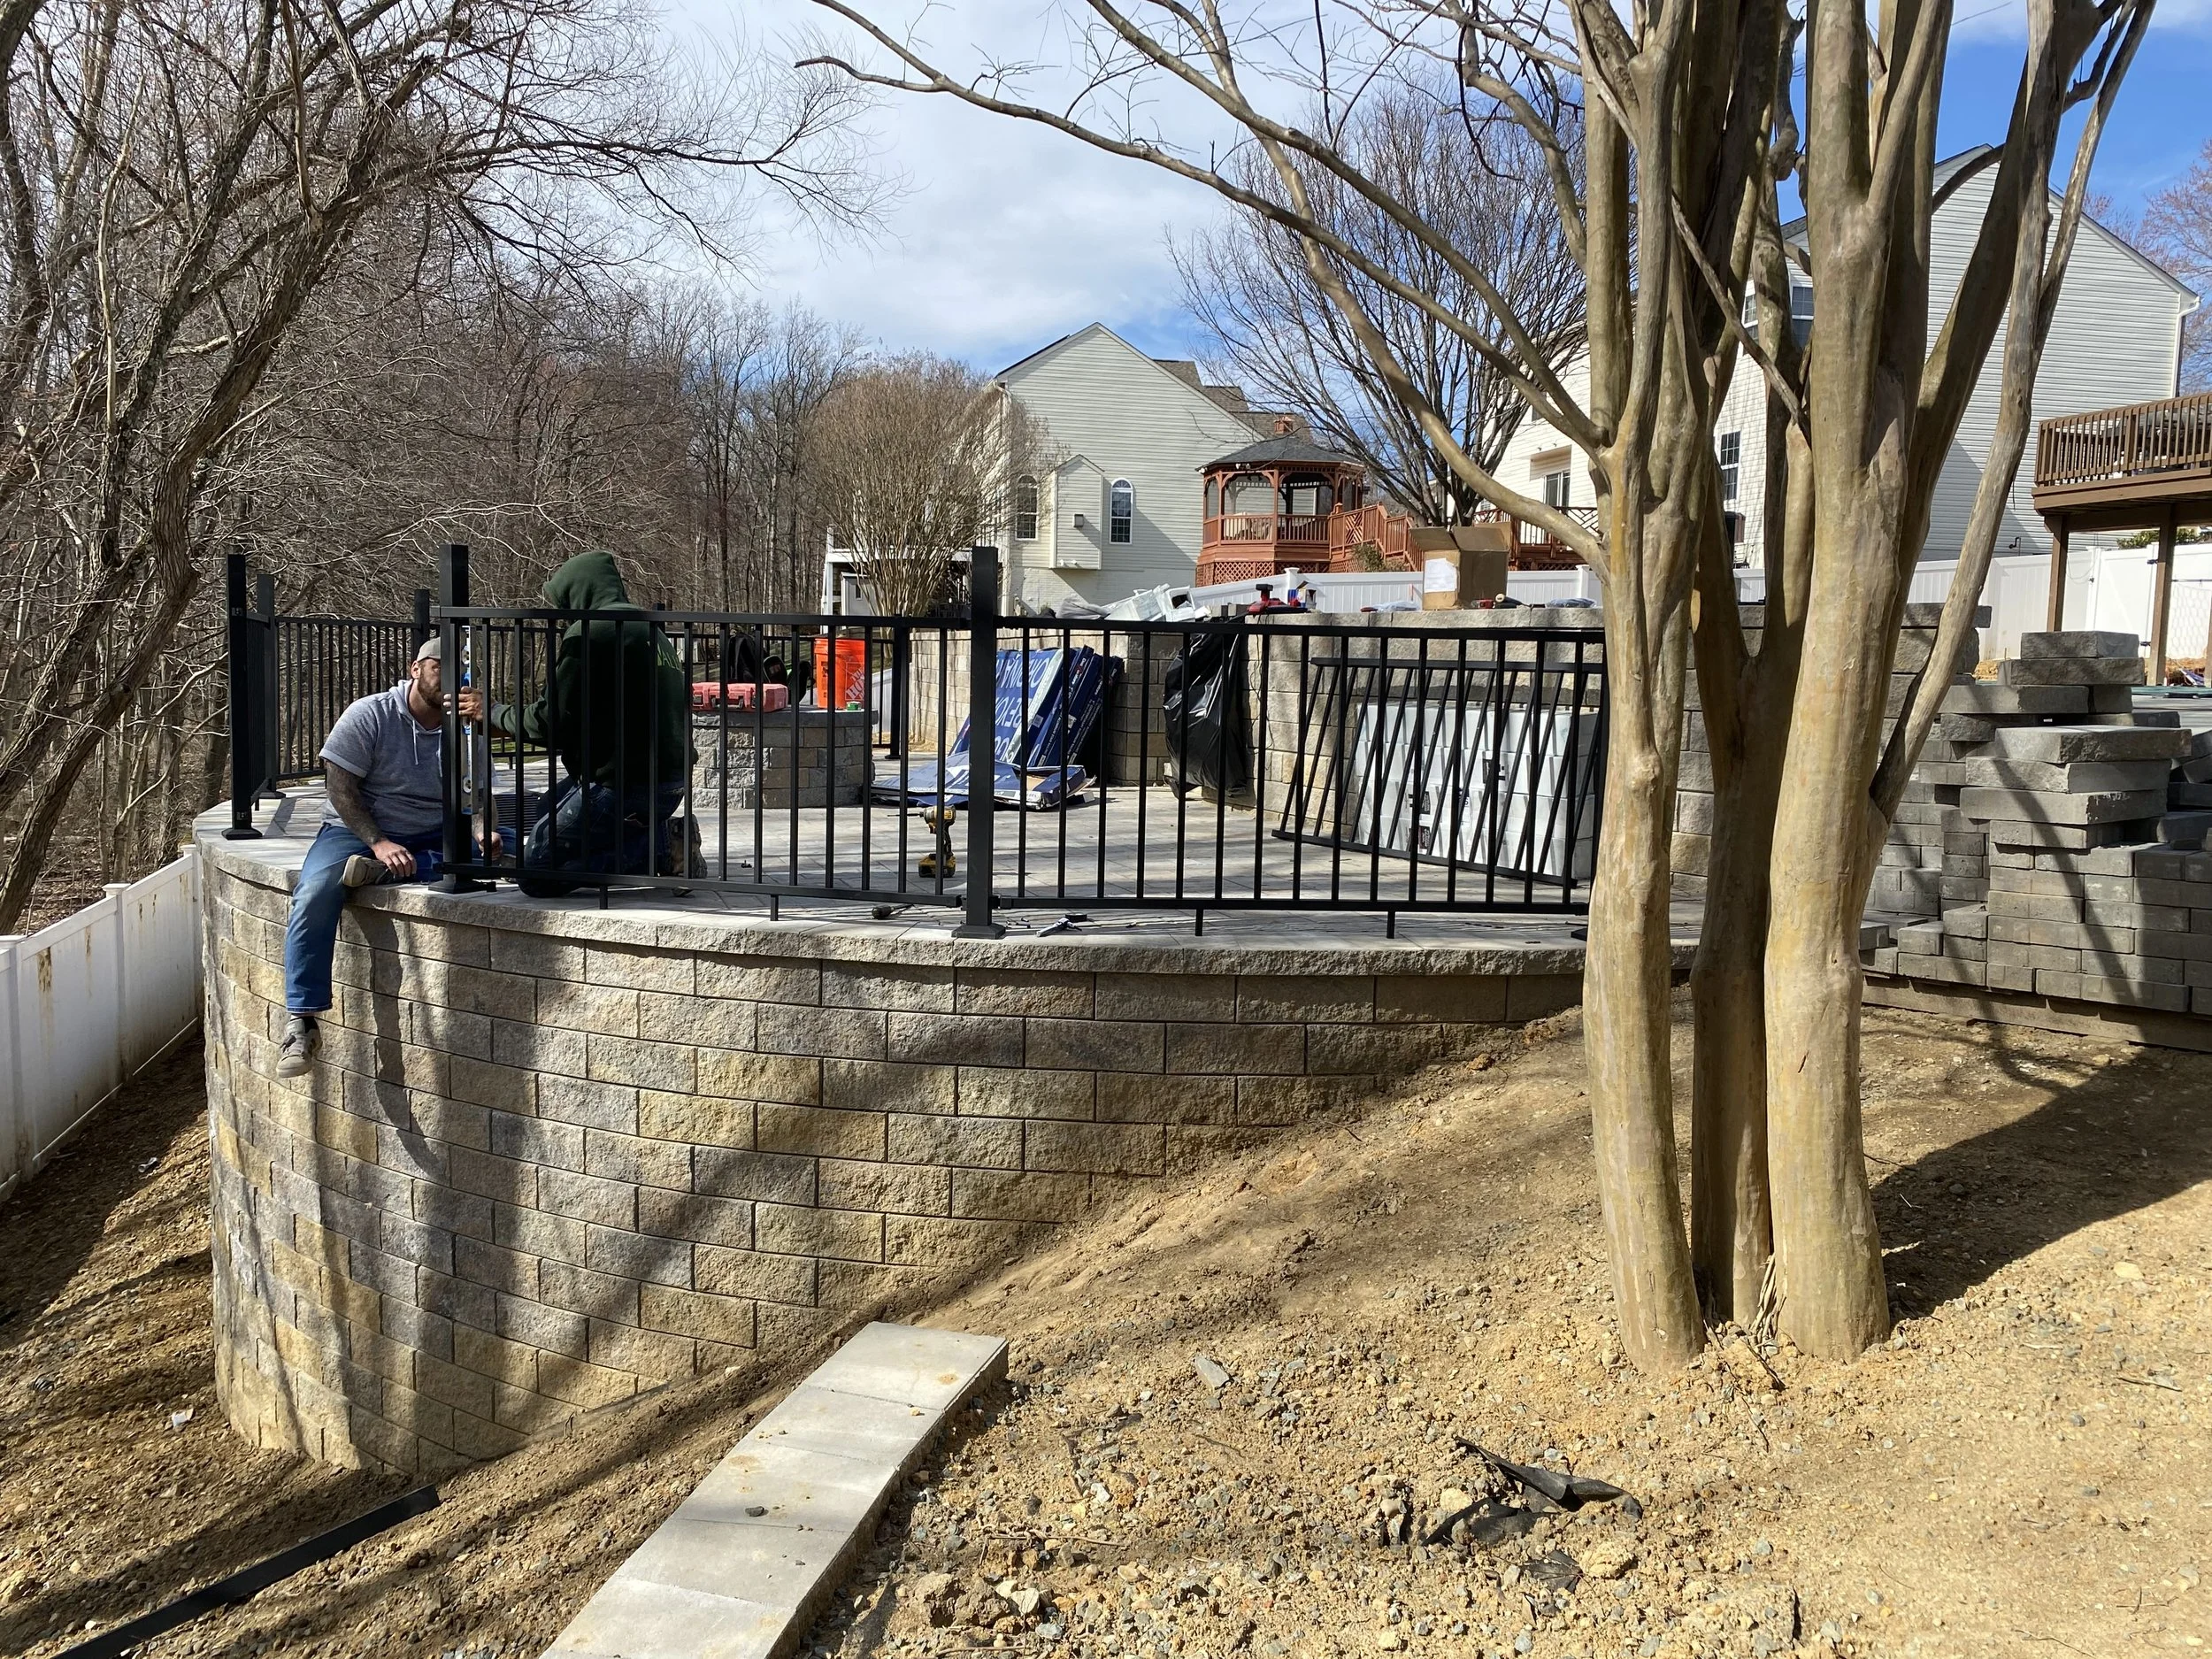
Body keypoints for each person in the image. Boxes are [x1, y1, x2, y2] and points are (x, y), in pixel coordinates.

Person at [278, 637, 495, 1077]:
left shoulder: (468, 725)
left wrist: (481, 830)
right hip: (359, 831)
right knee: (317, 890)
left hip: (435, 829)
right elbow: (340, 788)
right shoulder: (370, 714)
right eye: (442, 667)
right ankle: (301, 1021)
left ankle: (380, 874)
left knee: (519, 854)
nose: (453, 679)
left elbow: (478, 793)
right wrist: (377, 842)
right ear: (416, 668)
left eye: (463, 672)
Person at [469, 550, 690, 895]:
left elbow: (550, 722)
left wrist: (494, 711)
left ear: (577, 594)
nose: (562, 616)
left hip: (623, 787)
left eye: (562, 604)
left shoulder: (593, 632)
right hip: (670, 783)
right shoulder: (649, 628)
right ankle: (667, 835)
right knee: (546, 806)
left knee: (536, 875)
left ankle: (660, 851)